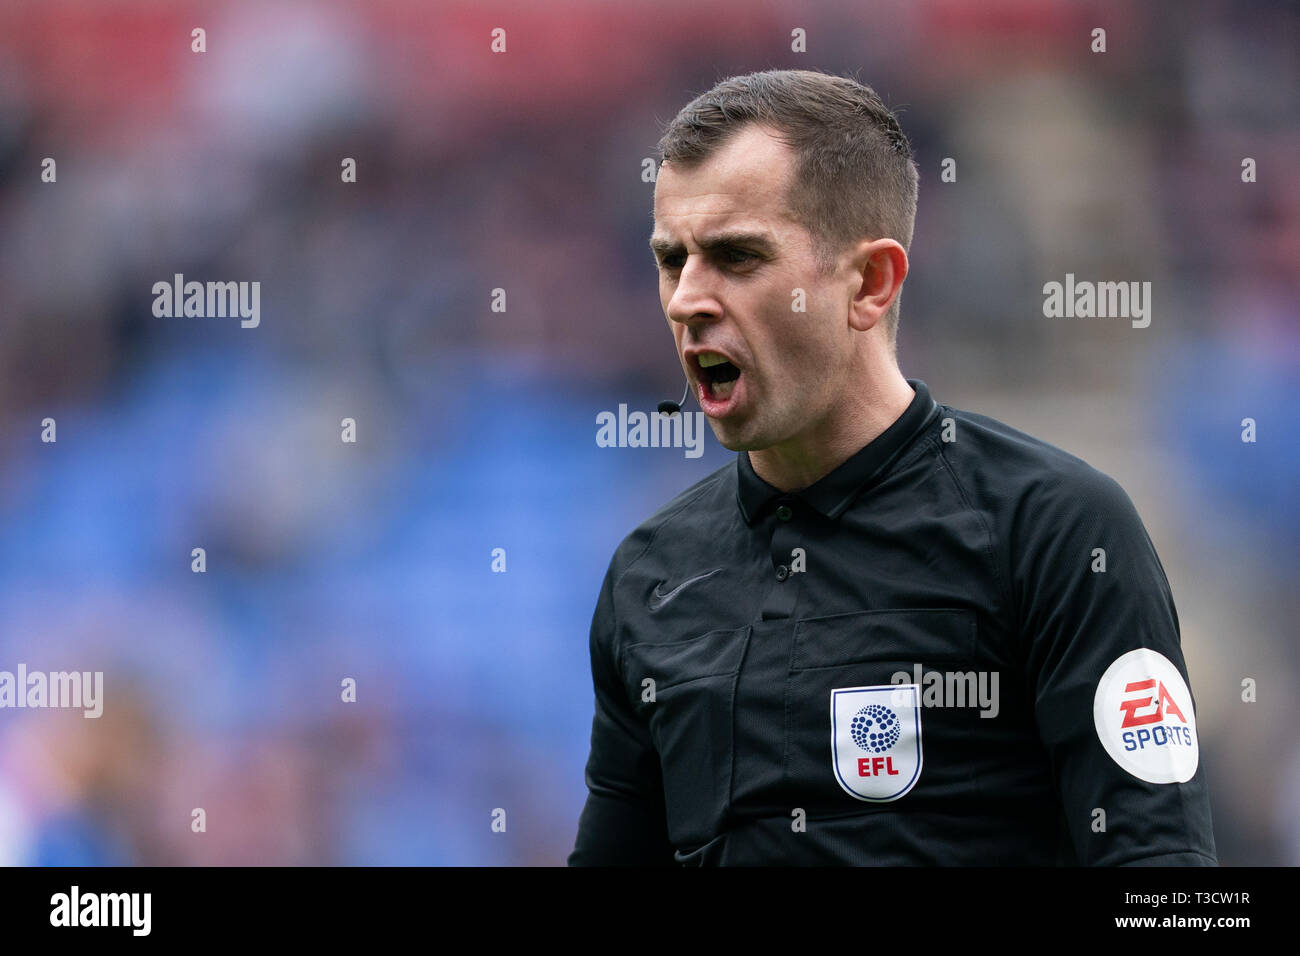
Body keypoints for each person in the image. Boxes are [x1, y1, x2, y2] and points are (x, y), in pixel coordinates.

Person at [568, 69, 1216, 865]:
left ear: (870, 283)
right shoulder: (651, 576)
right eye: (674, 260)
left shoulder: (1056, 531)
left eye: (737, 257)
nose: (685, 299)